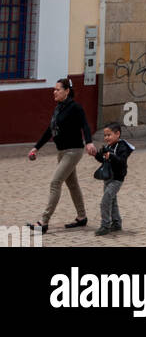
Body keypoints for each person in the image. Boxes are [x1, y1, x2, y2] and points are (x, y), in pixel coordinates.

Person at [27, 78, 93, 234]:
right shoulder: (58, 108)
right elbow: (50, 130)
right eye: (54, 89)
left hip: (73, 151)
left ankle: (43, 222)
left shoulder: (75, 107)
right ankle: (82, 217)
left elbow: (85, 125)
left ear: (67, 91)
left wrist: (89, 142)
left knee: (55, 182)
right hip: (62, 152)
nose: (54, 92)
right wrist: (36, 148)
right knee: (72, 184)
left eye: (58, 89)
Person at [90, 121, 135, 237]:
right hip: (108, 177)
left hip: (117, 179)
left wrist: (112, 156)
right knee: (112, 200)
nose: (106, 138)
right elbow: (103, 160)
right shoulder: (109, 147)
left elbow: (121, 161)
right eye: (105, 135)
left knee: (105, 201)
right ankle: (116, 223)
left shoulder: (122, 147)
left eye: (109, 135)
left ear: (117, 134)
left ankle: (105, 225)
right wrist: (96, 154)